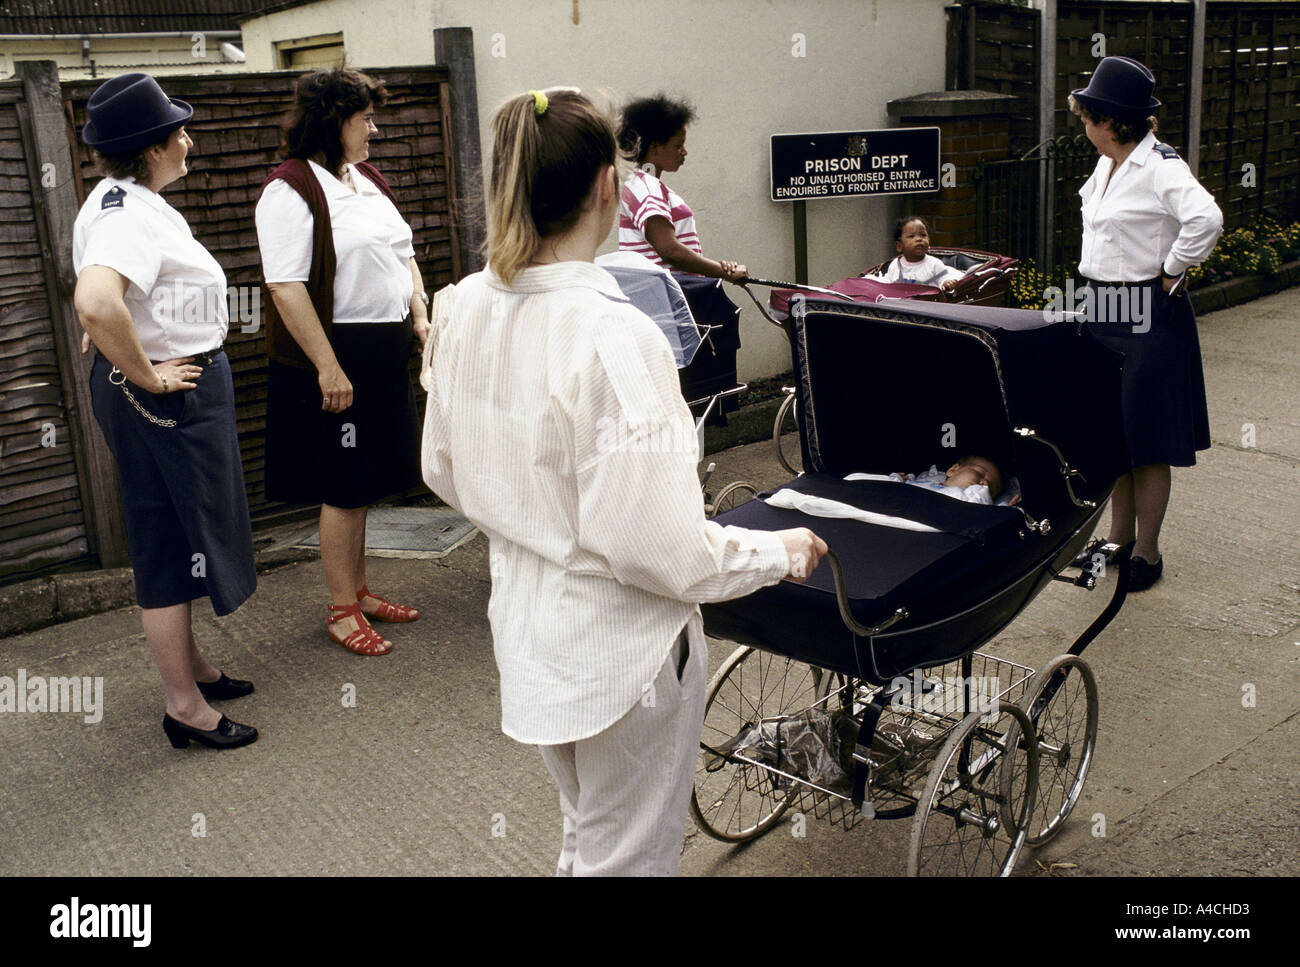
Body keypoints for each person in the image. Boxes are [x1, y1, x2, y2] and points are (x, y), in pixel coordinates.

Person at [420, 88, 827, 875]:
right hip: (624, 655)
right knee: (628, 860)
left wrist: (531, 512)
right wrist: (776, 553)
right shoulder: (615, 334)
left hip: (533, 632)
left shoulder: (463, 306)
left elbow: (443, 467)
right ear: (608, 185)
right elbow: (662, 550)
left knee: (587, 840)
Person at [72, 73, 258, 750]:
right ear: (153, 147)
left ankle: (193, 669)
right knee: (166, 543)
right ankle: (184, 706)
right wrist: (144, 372)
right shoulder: (129, 214)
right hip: (164, 397)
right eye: (177, 129)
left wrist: (125, 346)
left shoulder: (116, 200)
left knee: (182, 534)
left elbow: (110, 298)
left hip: (165, 390)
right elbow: (95, 300)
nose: (188, 138)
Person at [255, 68, 428, 654]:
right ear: (336, 122)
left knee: (369, 480)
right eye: (366, 118)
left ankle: (359, 590)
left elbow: (403, 255)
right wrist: (328, 366)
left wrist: (421, 315)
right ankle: (339, 608)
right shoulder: (290, 189)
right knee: (344, 483)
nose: (374, 129)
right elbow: (285, 287)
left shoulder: (365, 178)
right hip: (337, 355)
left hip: (384, 352)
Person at [1069, 56, 1222, 591]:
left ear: (1109, 120)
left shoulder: (1160, 165)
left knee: (1148, 438)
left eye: (1087, 116)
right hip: (1104, 307)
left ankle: (1148, 552)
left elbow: (1206, 217)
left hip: (1145, 311)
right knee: (1114, 433)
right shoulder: (1109, 163)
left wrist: (1171, 271)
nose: (1083, 125)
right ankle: (1119, 536)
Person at [617, 94, 748, 282]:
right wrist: (723, 271)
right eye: (678, 145)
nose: (684, 152)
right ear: (654, 147)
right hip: (666, 300)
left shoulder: (643, 184)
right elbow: (669, 250)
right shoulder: (645, 185)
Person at [847, 455, 1014, 505]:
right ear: (953, 470)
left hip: (933, 513)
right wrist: (895, 480)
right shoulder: (920, 481)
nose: (984, 483)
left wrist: (1002, 511)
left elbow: (979, 509)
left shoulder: (968, 498)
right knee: (854, 483)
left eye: (991, 488)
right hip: (897, 501)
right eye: (980, 473)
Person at [870, 216, 964, 290]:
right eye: (911, 236)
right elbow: (888, 284)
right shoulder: (895, 265)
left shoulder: (934, 264)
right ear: (899, 246)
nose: (919, 239)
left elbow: (944, 278)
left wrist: (946, 283)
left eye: (923, 235)